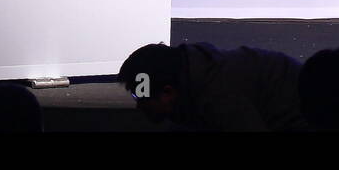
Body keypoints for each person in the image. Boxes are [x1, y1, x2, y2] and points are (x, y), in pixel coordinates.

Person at [118, 42, 307, 131]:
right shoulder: (196, 78)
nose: (138, 106)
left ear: (168, 92)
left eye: (139, 96)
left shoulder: (218, 97)